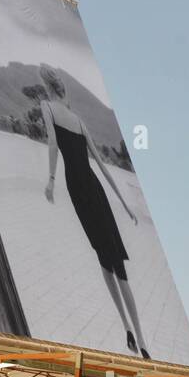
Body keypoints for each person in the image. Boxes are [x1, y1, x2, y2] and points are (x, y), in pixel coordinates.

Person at [39, 64, 149, 359]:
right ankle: (140, 339)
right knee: (116, 262)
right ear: (63, 89)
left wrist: (50, 180)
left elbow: (52, 143)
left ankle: (128, 327)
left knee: (104, 260)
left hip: (77, 189)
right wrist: (125, 205)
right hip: (95, 189)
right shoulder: (78, 119)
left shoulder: (46, 107)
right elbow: (102, 166)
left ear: (48, 88)